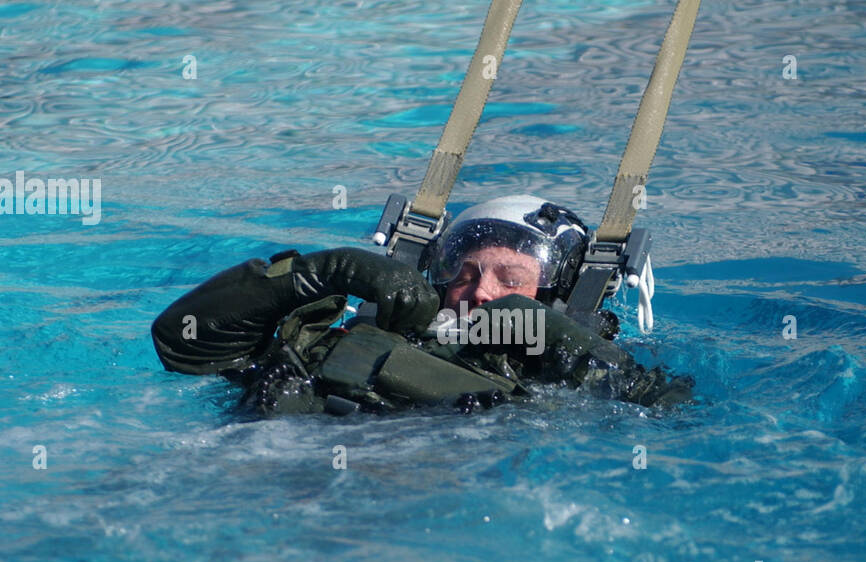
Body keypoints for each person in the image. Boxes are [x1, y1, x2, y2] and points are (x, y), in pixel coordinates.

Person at [151, 195, 693, 417]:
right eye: (463, 273)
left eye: (510, 281)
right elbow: (182, 340)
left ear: (551, 301)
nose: (478, 292)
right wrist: (325, 271)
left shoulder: (556, 389)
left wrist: (567, 343)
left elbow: (671, 411)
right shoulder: (327, 336)